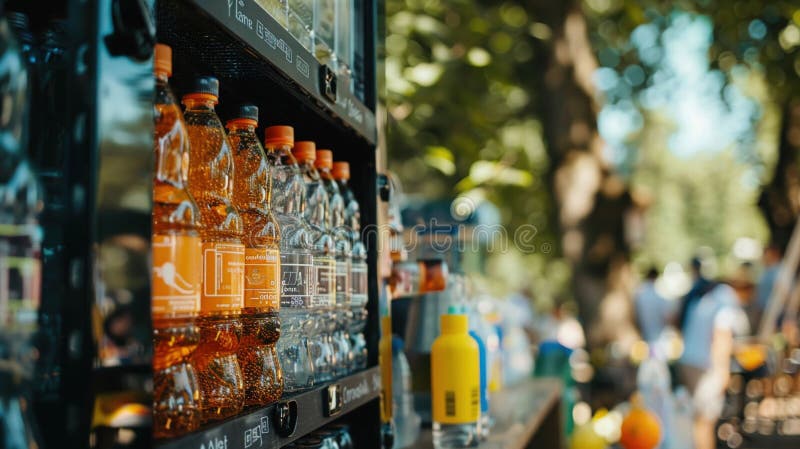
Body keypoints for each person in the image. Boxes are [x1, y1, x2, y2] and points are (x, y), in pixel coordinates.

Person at [677, 264, 750, 449]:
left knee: (697, 418)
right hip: (704, 365)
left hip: (690, 359)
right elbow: (721, 336)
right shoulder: (726, 299)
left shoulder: (712, 295)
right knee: (705, 420)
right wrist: (722, 371)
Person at [634, 267, 672, 344]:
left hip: (642, 337)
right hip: (657, 338)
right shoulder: (660, 296)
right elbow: (666, 318)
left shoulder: (639, 295)